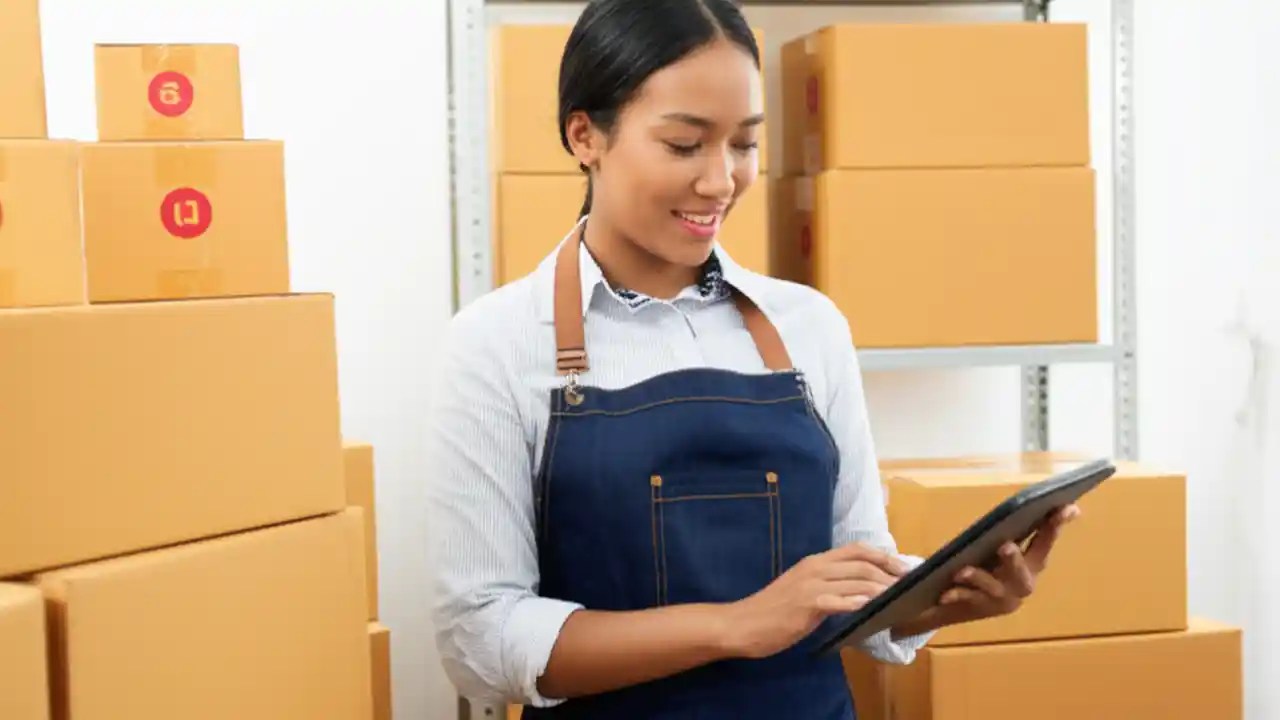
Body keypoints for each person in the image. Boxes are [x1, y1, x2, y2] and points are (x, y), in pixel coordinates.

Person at [426, 1, 1080, 717]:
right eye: (683, 145)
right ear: (585, 135)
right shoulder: (497, 344)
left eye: (743, 144)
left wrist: (950, 593)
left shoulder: (811, 328)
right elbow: (480, 639)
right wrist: (738, 625)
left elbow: (855, 573)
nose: (721, 182)